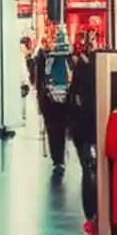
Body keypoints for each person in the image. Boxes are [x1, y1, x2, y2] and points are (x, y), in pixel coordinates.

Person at [68, 31, 99, 235]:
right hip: (90, 126)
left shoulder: (81, 67)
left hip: (84, 127)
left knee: (89, 172)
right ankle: (93, 221)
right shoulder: (87, 67)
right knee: (91, 173)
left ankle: (92, 221)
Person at [30, 23, 71, 176]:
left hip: (50, 103)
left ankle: (58, 160)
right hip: (67, 102)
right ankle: (62, 159)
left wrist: (41, 102)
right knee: (63, 131)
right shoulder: (71, 60)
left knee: (54, 132)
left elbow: (39, 81)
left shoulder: (47, 60)